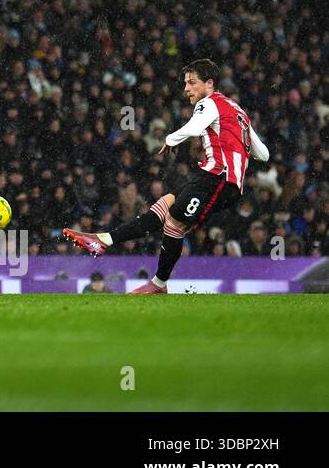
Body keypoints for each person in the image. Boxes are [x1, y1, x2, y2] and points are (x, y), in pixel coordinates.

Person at [65, 59, 270, 293]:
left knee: (174, 223)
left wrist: (170, 139)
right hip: (213, 177)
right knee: (165, 205)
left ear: (209, 83)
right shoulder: (237, 110)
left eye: (192, 83)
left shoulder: (208, 103)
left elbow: (193, 128)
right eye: (185, 83)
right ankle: (103, 240)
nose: (186, 89)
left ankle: (159, 283)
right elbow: (263, 153)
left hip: (218, 178)